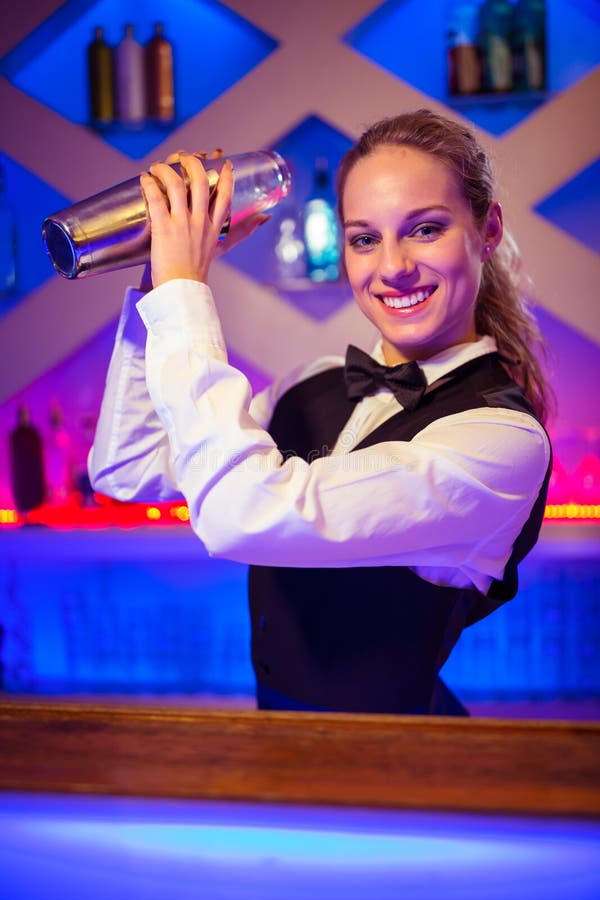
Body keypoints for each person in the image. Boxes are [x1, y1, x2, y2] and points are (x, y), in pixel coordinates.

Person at [89, 109, 552, 715]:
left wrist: (186, 292)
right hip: (280, 742)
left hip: (396, 760)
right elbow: (128, 467)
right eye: (365, 238)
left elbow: (243, 514)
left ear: (487, 231)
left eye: (425, 229)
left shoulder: (502, 438)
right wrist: (158, 282)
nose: (392, 268)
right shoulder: (313, 382)